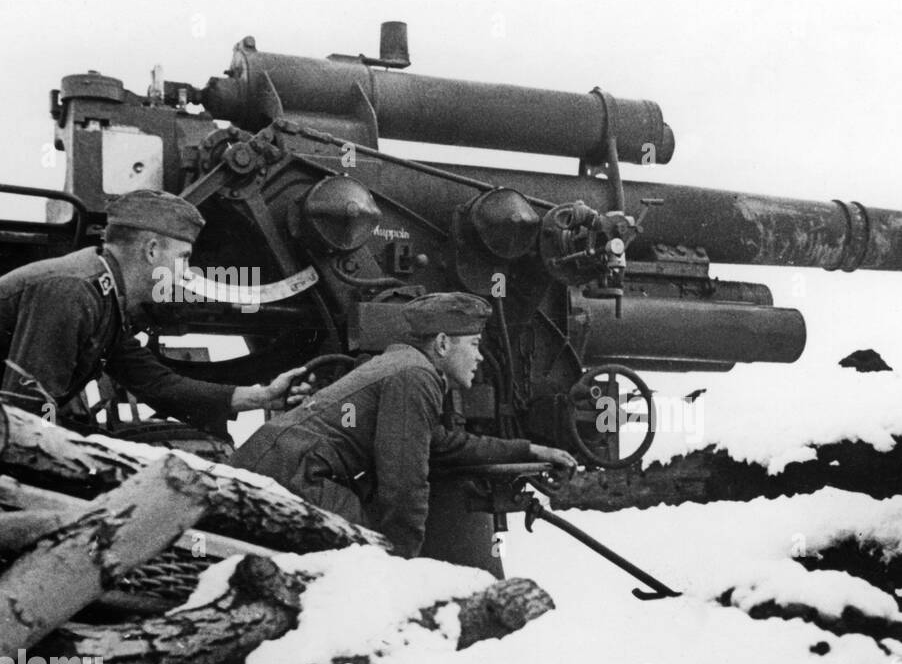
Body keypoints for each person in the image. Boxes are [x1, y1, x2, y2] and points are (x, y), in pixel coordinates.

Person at [230, 292, 578, 558]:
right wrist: (403, 557)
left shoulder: (403, 364)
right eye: (473, 345)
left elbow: (443, 443)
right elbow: (404, 479)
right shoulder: (416, 376)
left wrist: (529, 448)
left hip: (278, 464)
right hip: (294, 475)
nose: (480, 357)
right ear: (442, 343)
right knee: (364, 553)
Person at [0, 188, 308, 428]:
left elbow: (156, 384)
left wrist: (263, 397)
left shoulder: (108, 299)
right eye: (184, 258)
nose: (187, 272)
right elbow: (26, 412)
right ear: (151, 250)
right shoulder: (75, 291)